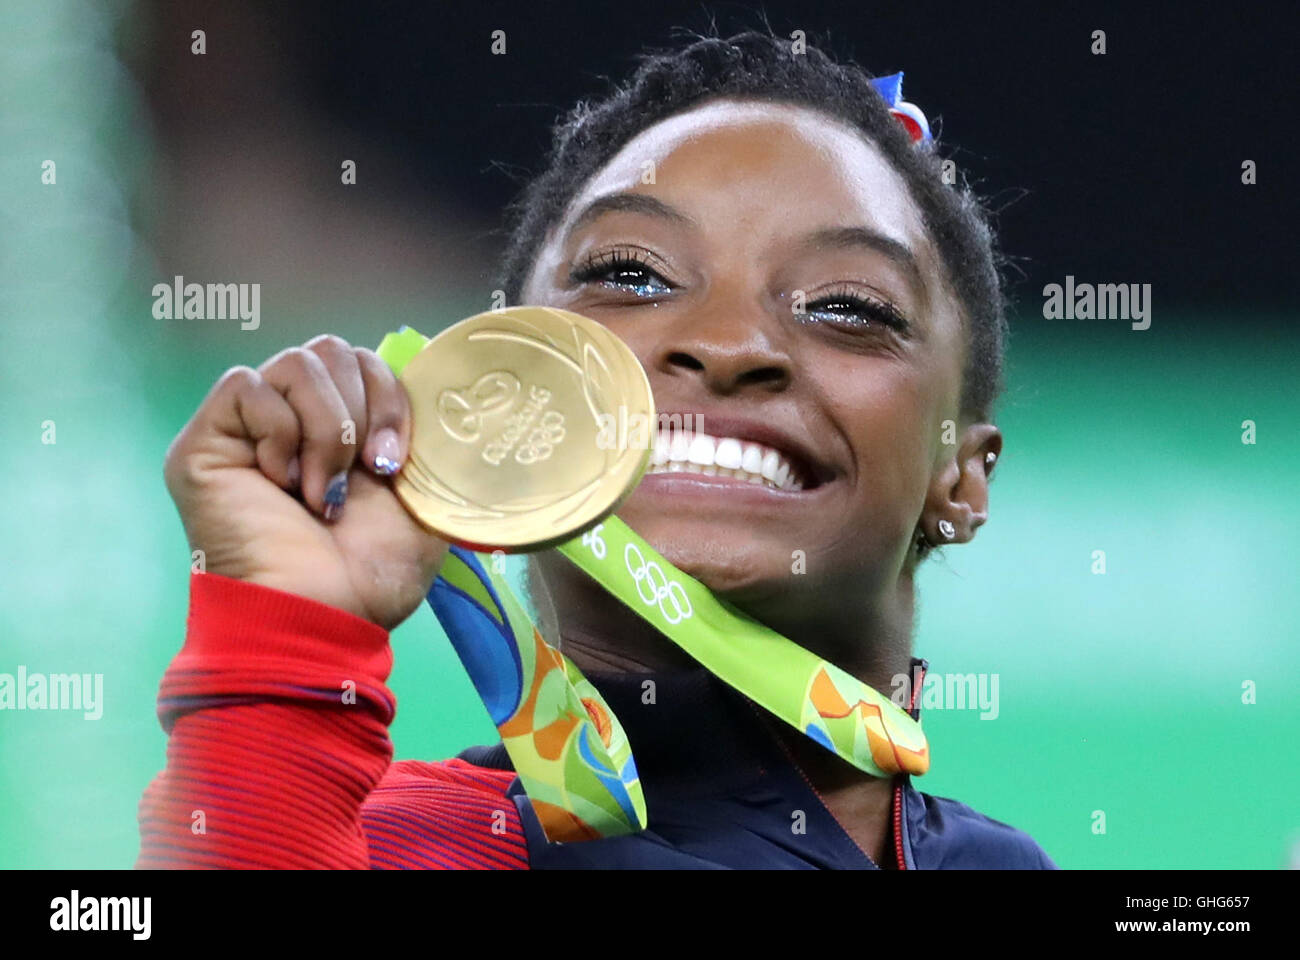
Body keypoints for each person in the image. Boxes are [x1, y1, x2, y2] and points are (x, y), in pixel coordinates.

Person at [138, 29, 1056, 869]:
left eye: (847, 306)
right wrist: (286, 653)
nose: (731, 344)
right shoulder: (400, 849)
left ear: (962, 477)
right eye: (631, 275)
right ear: (502, 392)